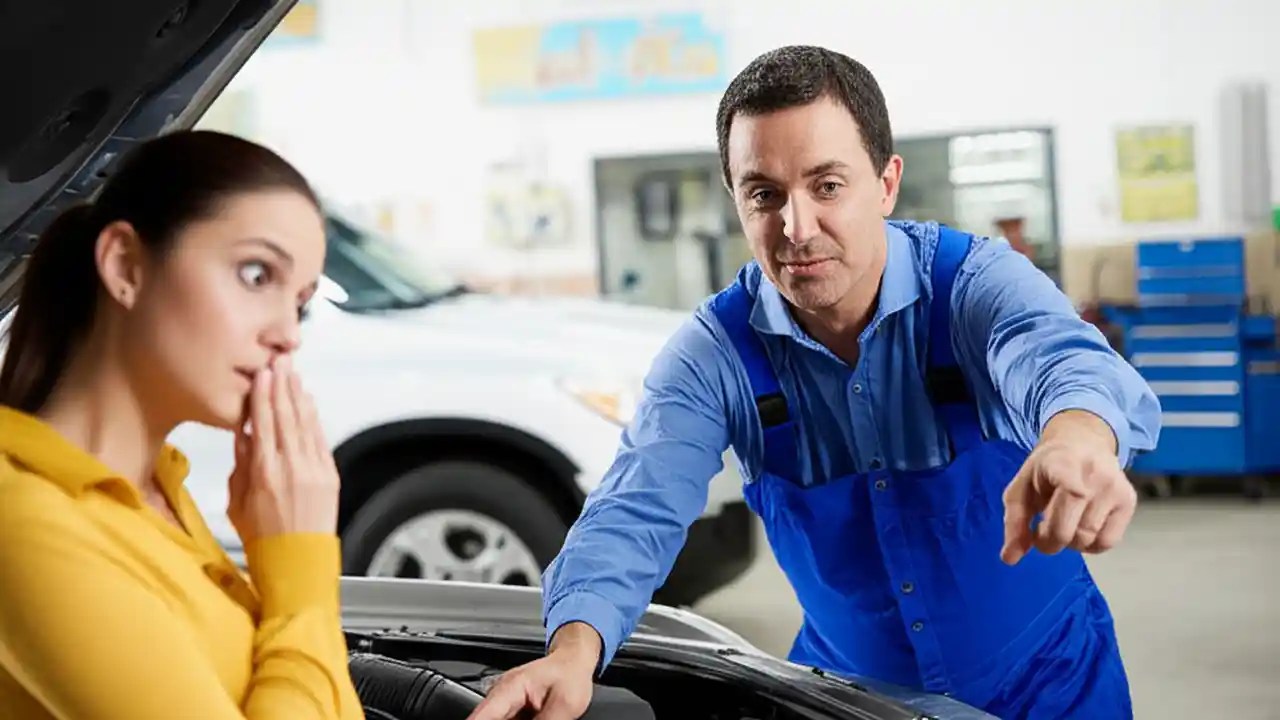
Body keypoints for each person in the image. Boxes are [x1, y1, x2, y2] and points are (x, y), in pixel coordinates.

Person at [469, 45, 1161, 720]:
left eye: (827, 186)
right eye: (764, 194)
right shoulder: (717, 354)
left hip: (1053, 688)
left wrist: (1077, 438)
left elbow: (1064, 361)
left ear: (885, 183)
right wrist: (572, 650)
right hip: (849, 701)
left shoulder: (973, 286)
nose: (796, 228)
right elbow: (634, 507)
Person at [0, 130, 364, 719]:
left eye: (298, 303)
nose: (287, 333)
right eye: (255, 275)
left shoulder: (161, 496)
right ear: (126, 267)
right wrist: (301, 569)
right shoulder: (22, 520)